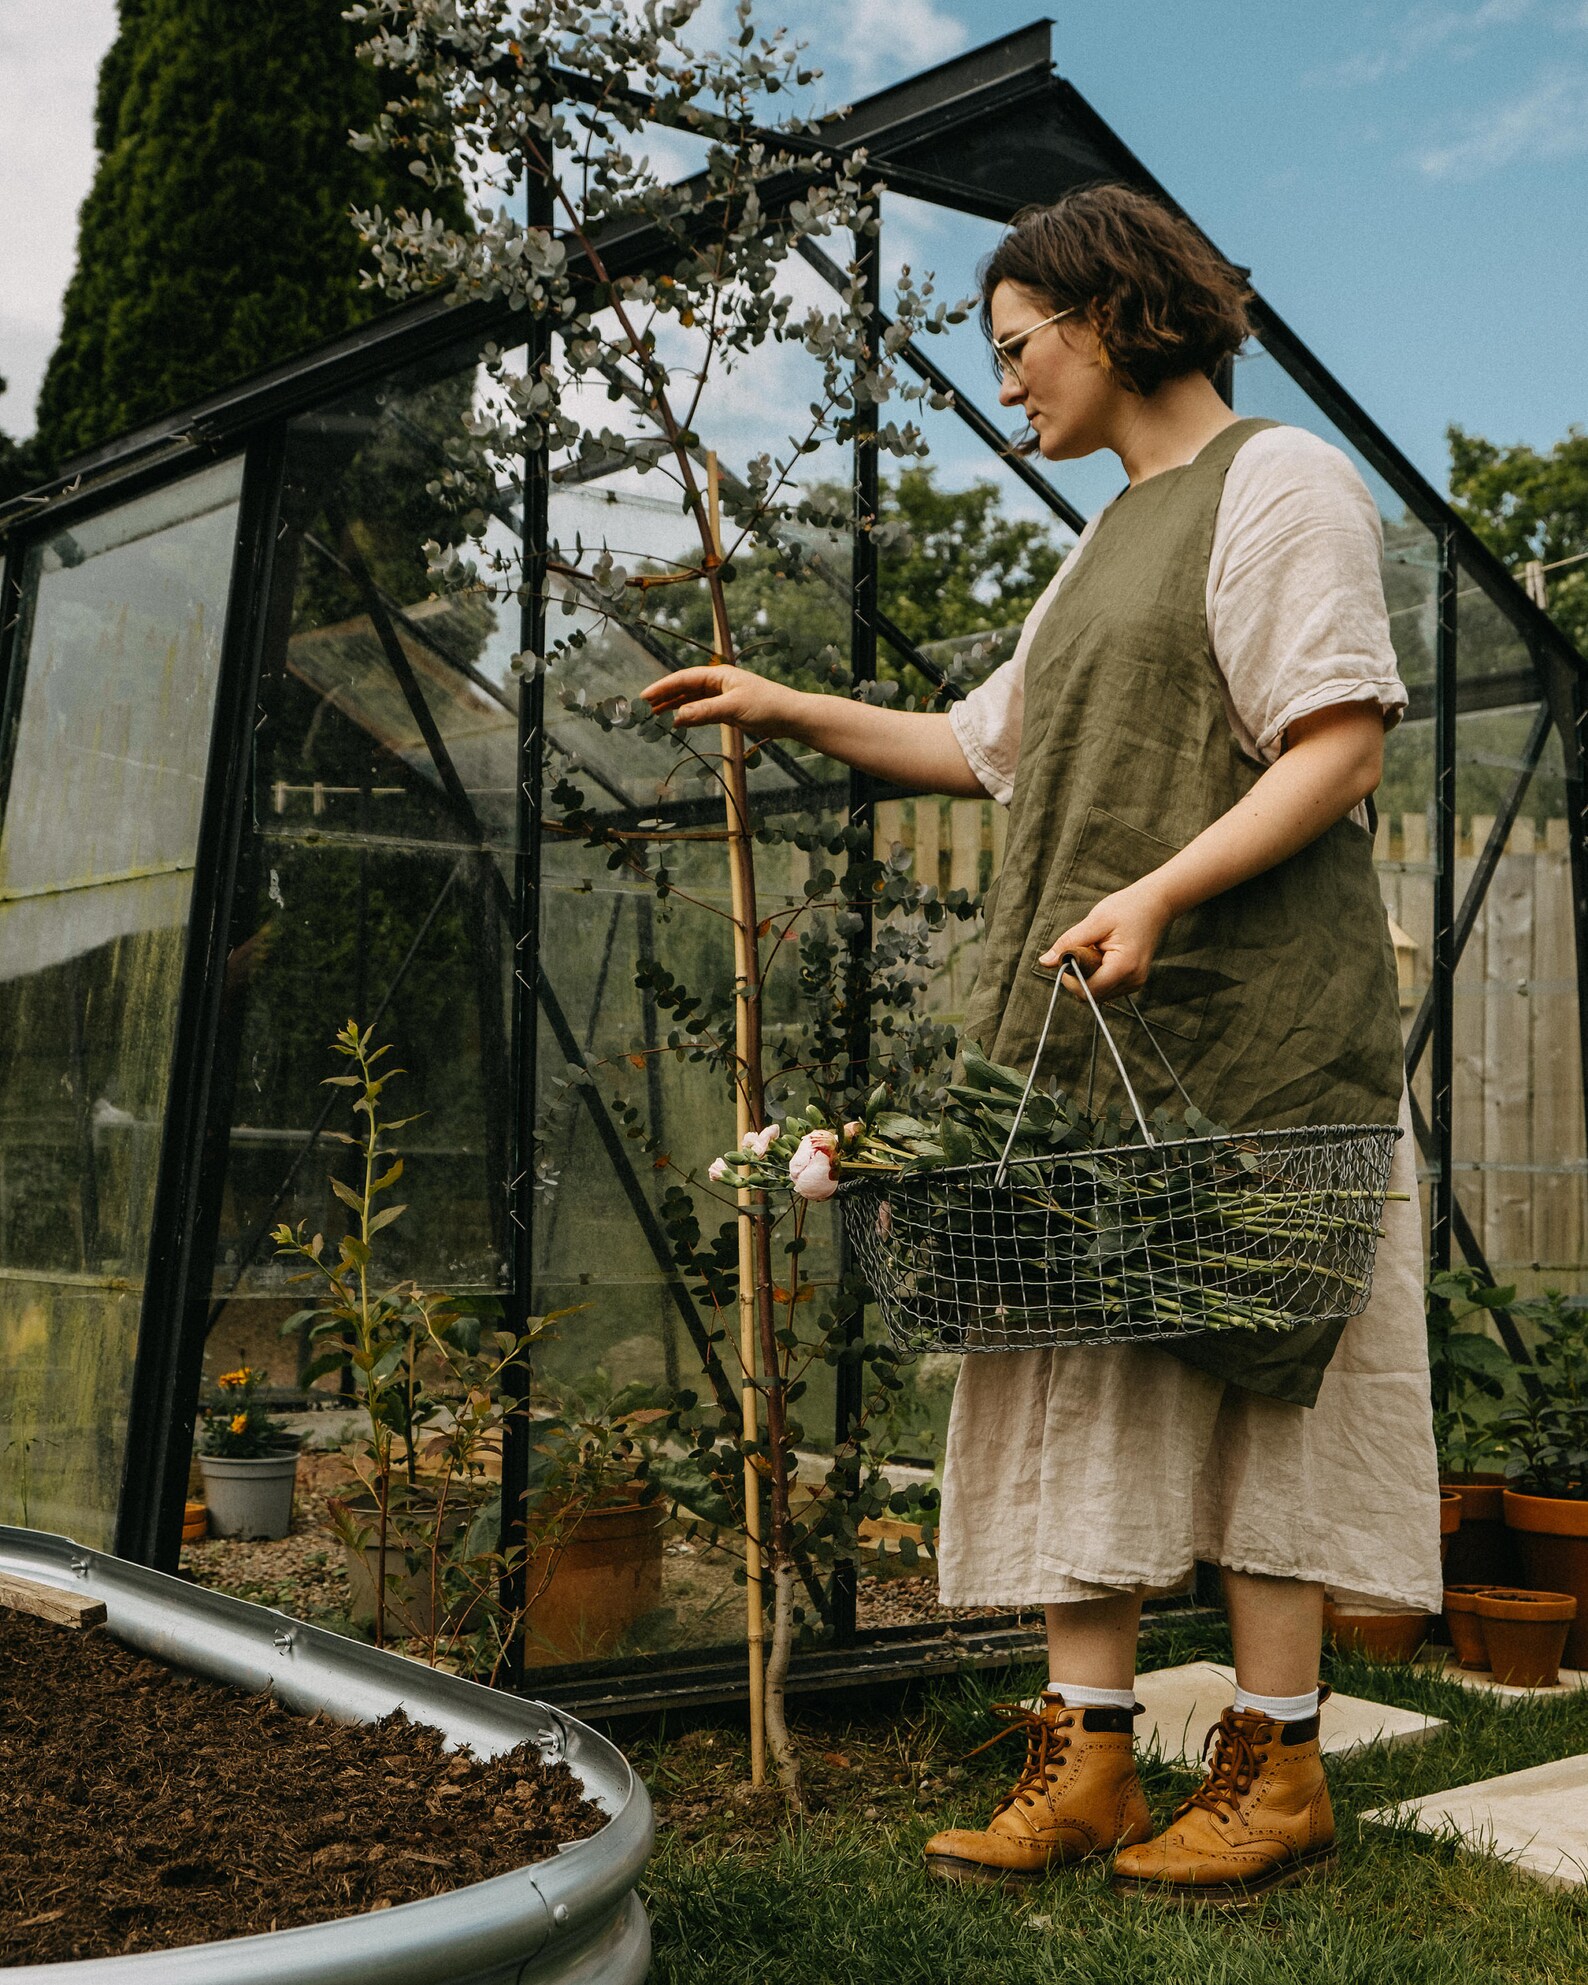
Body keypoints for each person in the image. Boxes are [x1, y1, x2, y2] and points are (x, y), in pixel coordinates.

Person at [641, 182, 1441, 1907]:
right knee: (1081, 1367)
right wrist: (780, 703)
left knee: (1262, 1377)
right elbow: (974, 743)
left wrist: (1153, 895)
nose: (1006, 382)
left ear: (1105, 314)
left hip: (1256, 1032)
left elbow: (1338, 745)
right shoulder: (1104, 535)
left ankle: (1280, 1764)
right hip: (1091, 1036)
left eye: (1017, 347)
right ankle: (1086, 1756)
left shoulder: (1278, 482)